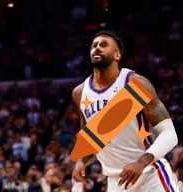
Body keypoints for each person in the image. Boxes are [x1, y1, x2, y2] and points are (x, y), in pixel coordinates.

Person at [71, 31, 179, 192]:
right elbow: (90, 139)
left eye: (103, 44)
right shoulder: (80, 92)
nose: (97, 48)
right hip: (117, 182)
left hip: (150, 175)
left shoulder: (133, 83)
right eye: (94, 45)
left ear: (117, 55)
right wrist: (81, 161)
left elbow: (170, 135)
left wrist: (141, 163)